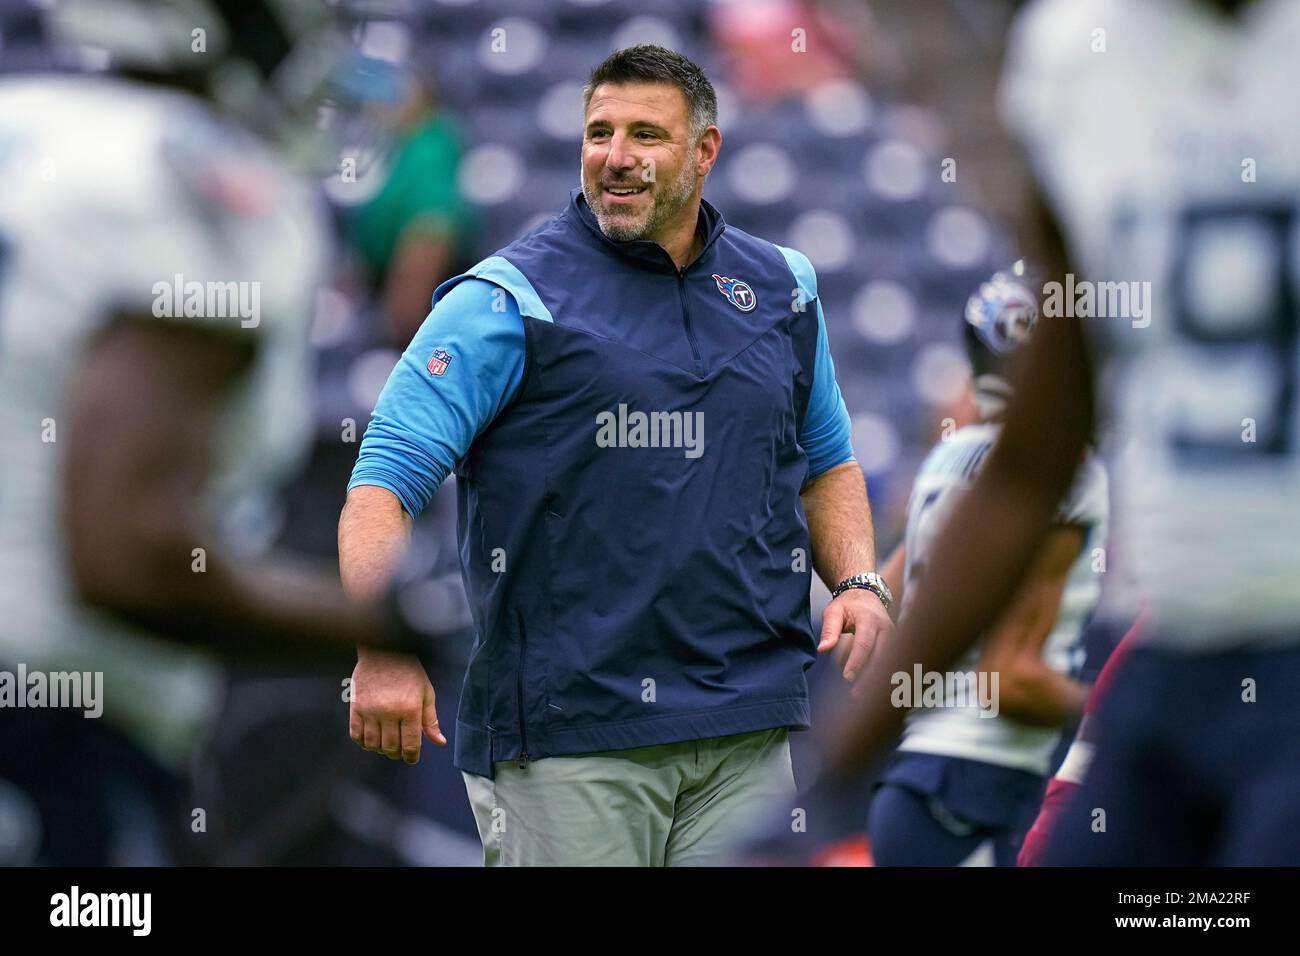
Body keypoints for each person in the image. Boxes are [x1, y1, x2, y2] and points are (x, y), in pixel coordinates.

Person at [340, 44, 894, 866]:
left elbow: (828, 462)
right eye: (599, 132)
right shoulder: (508, 296)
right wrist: (379, 646)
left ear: (705, 151)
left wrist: (856, 579)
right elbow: (380, 484)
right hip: (569, 738)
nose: (616, 157)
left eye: (645, 134)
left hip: (748, 725)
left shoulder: (784, 285)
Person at [826, 0, 1300, 865]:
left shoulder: (942, 461)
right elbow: (1029, 468)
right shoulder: (1078, 54)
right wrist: (834, 761)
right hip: (1174, 665)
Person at [0, 0, 418, 865]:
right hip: (42, 736)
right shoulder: (196, 177)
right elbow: (132, 555)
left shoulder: (22, 122)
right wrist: (389, 629)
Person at [865, 264, 1107, 867]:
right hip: (975, 797)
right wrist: (1118, 718)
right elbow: (1011, 679)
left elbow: (873, 620)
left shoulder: (945, 458)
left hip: (915, 787)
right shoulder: (1063, 472)